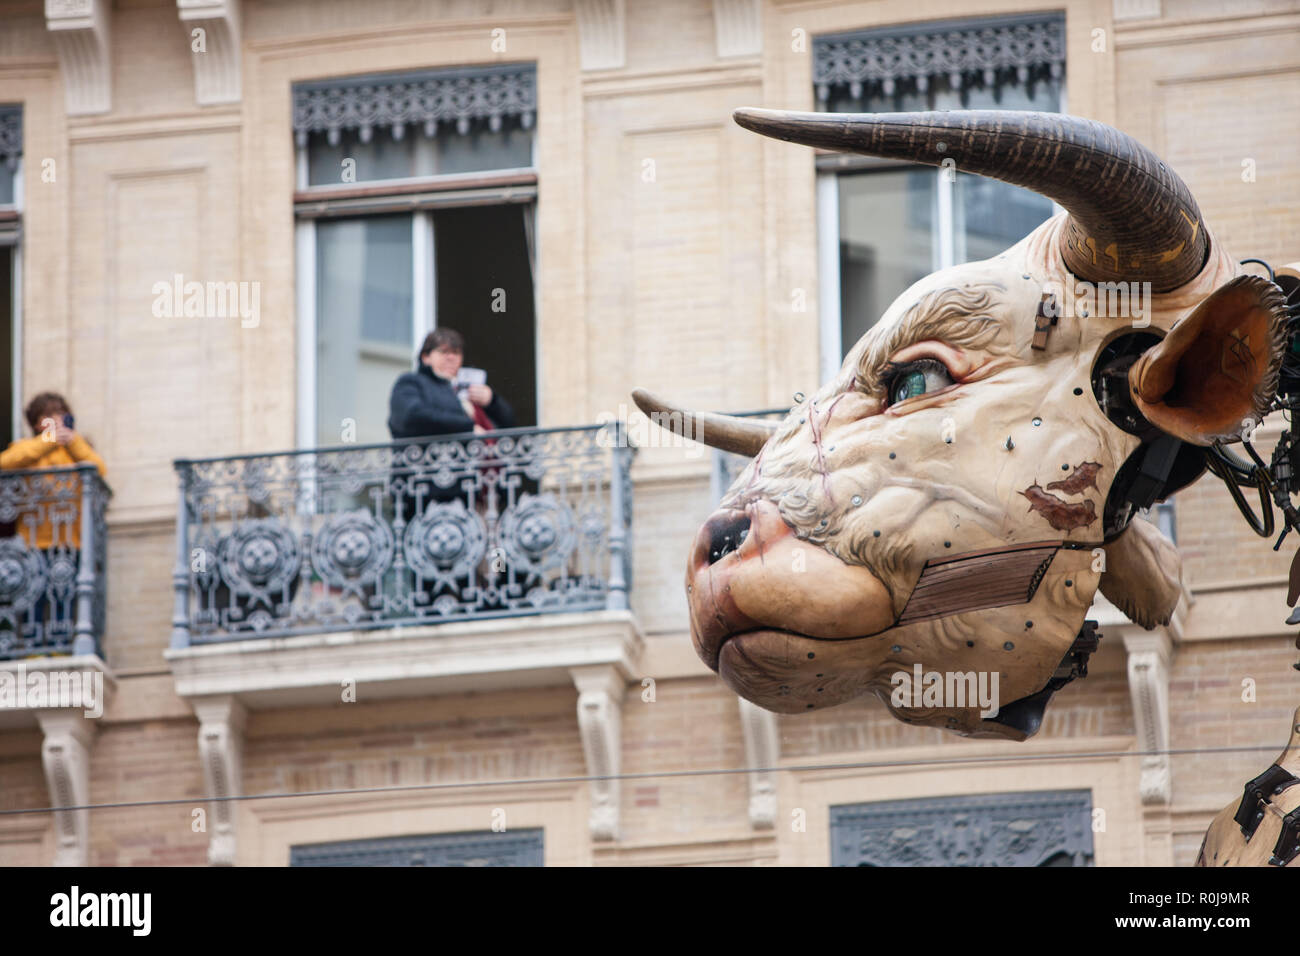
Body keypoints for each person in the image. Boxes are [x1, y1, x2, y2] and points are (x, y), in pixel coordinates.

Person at [0, 392, 108, 648]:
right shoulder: (28, 447)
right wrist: (49, 440)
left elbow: (99, 469)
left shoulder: (76, 449)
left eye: (62, 415)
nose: (58, 421)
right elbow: (6, 462)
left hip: (71, 540)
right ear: (39, 423)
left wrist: (73, 442)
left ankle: (60, 646)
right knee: (35, 597)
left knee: (66, 596)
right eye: (51, 417)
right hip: (35, 541)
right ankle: (34, 648)